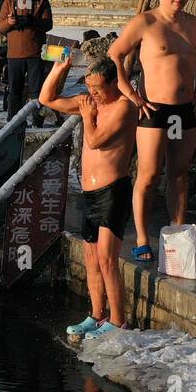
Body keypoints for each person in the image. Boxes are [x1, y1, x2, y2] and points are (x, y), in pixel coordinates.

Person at [109, 0, 196, 264]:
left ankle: (177, 233)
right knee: (149, 174)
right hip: (153, 108)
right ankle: (141, 237)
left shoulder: (193, 24)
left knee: (179, 175)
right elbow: (115, 54)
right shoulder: (146, 22)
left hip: (184, 110)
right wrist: (132, 95)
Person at [40, 55, 137, 337]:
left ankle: (118, 321)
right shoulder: (91, 103)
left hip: (113, 192)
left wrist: (85, 114)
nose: (91, 93)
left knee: (107, 259)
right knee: (92, 259)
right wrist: (59, 70)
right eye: (89, 86)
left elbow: (94, 141)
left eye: (97, 87)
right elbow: (47, 99)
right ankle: (96, 315)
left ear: (112, 83)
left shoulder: (123, 108)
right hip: (90, 193)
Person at [0, 0, 54, 124]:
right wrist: (9, 22)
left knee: (37, 90)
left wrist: (32, 22)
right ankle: (13, 120)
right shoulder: (9, 2)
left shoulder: (41, 1)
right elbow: (0, 27)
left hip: (35, 53)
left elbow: (48, 24)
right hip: (14, 54)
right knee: (15, 89)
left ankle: (37, 120)